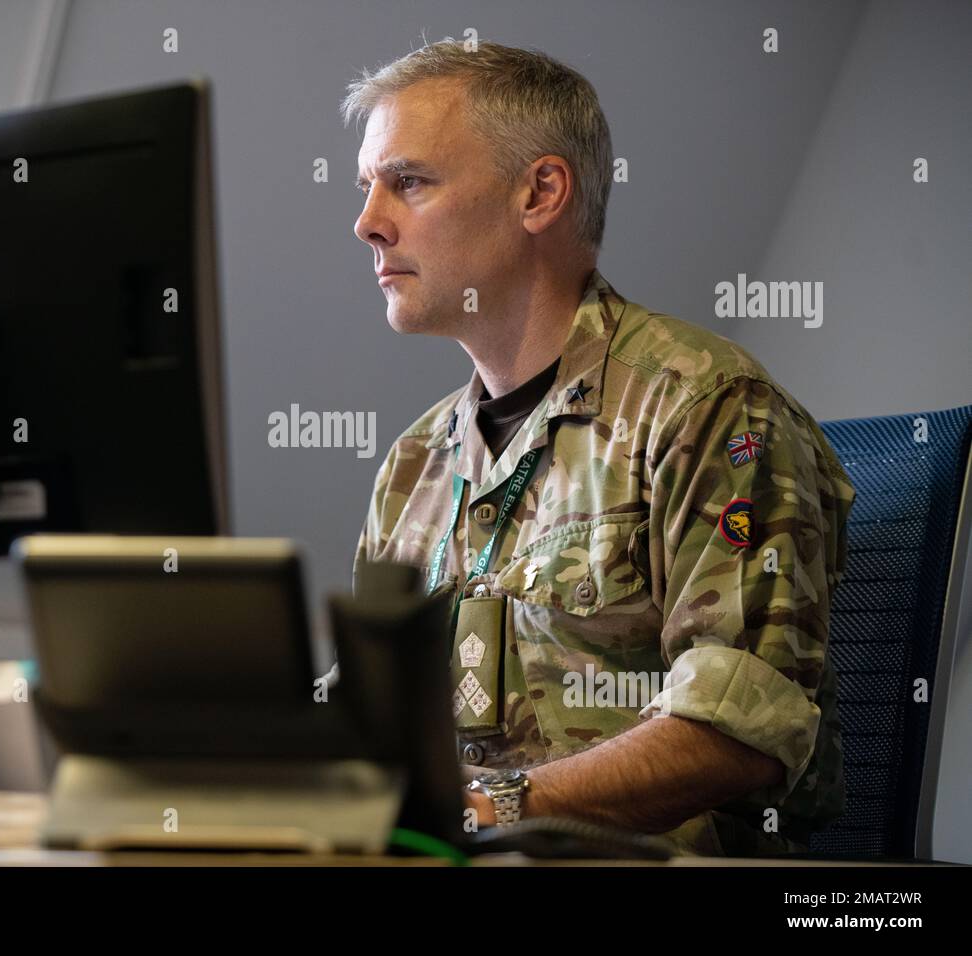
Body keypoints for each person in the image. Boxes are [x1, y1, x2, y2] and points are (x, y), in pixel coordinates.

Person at [345, 40, 854, 856]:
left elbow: (733, 736)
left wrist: (491, 809)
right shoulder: (414, 466)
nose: (368, 221)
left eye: (408, 181)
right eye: (369, 186)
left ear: (541, 192)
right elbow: (369, 727)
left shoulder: (705, 407)